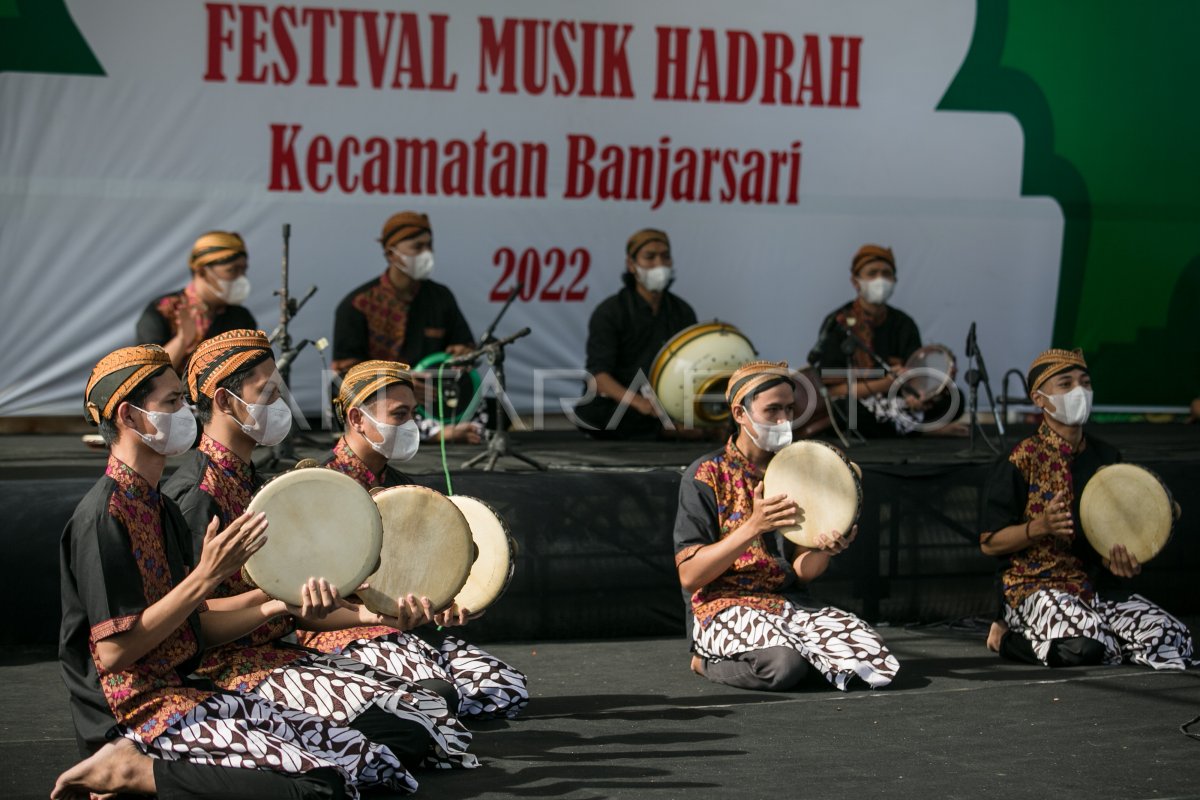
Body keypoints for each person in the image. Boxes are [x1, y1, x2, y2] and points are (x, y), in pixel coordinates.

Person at [58, 343, 410, 799]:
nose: (186, 412)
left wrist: (282, 602)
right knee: (318, 788)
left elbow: (193, 624)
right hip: (133, 711)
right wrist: (204, 577)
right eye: (172, 403)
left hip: (181, 689)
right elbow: (114, 653)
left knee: (369, 760)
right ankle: (130, 770)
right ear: (129, 416)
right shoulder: (104, 516)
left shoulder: (157, 505)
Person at [161, 330, 478, 771]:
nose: (281, 405)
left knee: (432, 713)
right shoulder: (197, 495)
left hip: (279, 651)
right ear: (224, 401)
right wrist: (274, 602)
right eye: (268, 393)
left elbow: (303, 604)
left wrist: (377, 614)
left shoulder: (257, 484)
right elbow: (191, 619)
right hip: (227, 670)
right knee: (401, 738)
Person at [306, 359, 530, 719]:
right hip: (343, 634)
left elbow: (414, 575)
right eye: (399, 414)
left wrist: (442, 604)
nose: (410, 424)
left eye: (413, 413)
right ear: (357, 419)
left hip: (404, 632)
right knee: (437, 695)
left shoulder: (402, 487)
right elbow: (307, 597)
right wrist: (371, 616)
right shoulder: (317, 486)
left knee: (503, 689)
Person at [673, 360, 900, 691]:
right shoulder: (705, 474)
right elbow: (690, 576)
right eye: (773, 410)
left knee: (870, 661)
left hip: (785, 603)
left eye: (790, 410)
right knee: (784, 666)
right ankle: (705, 662)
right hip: (722, 605)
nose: (784, 420)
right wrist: (753, 526)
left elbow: (803, 570)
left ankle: (799, 655)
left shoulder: (801, 469)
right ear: (740, 413)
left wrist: (826, 548)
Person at [980, 348, 1195, 669]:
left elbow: (1119, 532)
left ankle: (1105, 638)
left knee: (1172, 639)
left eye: (1085, 382)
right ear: (1039, 399)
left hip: (1094, 588)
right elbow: (989, 542)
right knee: (1083, 648)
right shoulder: (1019, 457)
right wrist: (1039, 527)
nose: (1079, 391)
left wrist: (1123, 560)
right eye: (1065, 384)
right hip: (1033, 587)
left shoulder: (1106, 456)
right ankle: (1007, 637)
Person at [332, 211, 482, 443]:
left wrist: (463, 353)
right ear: (392, 253)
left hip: (437, 402)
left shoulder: (440, 298)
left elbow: (463, 347)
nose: (427, 253)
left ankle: (439, 430)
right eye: (418, 246)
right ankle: (431, 434)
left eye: (429, 246)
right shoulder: (357, 305)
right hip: (381, 401)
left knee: (489, 406)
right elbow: (344, 374)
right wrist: (399, 381)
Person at [810, 244, 958, 437]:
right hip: (860, 405)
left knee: (954, 399)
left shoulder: (904, 323)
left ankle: (905, 427)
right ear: (856, 282)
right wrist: (885, 383)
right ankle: (919, 430)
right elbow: (833, 391)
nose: (880, 279)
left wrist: (918, 396)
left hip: (900, 403)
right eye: (872, 273)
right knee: (844, 409)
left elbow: (916, 376)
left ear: (894, 280)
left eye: (886, 274)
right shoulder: (838, 323)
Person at [573, 228, 698, 438]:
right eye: (650, 257)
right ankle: (674, 432)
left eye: (665, 257)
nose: (659, 264)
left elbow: (694, 367)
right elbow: (599, 377)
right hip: (626, 403)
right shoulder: (611, 311)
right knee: (589, 414)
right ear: (631, 265)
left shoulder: (682, 311)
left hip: (671, 402)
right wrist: (639, 403)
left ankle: (676, 429)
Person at [136, 232, 258, 372]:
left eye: (243, 270)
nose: (241, 278)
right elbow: (145, 375)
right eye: (232, 270)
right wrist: (182, 340)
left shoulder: (240, 317)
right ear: (201, 271)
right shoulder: (162, 310)